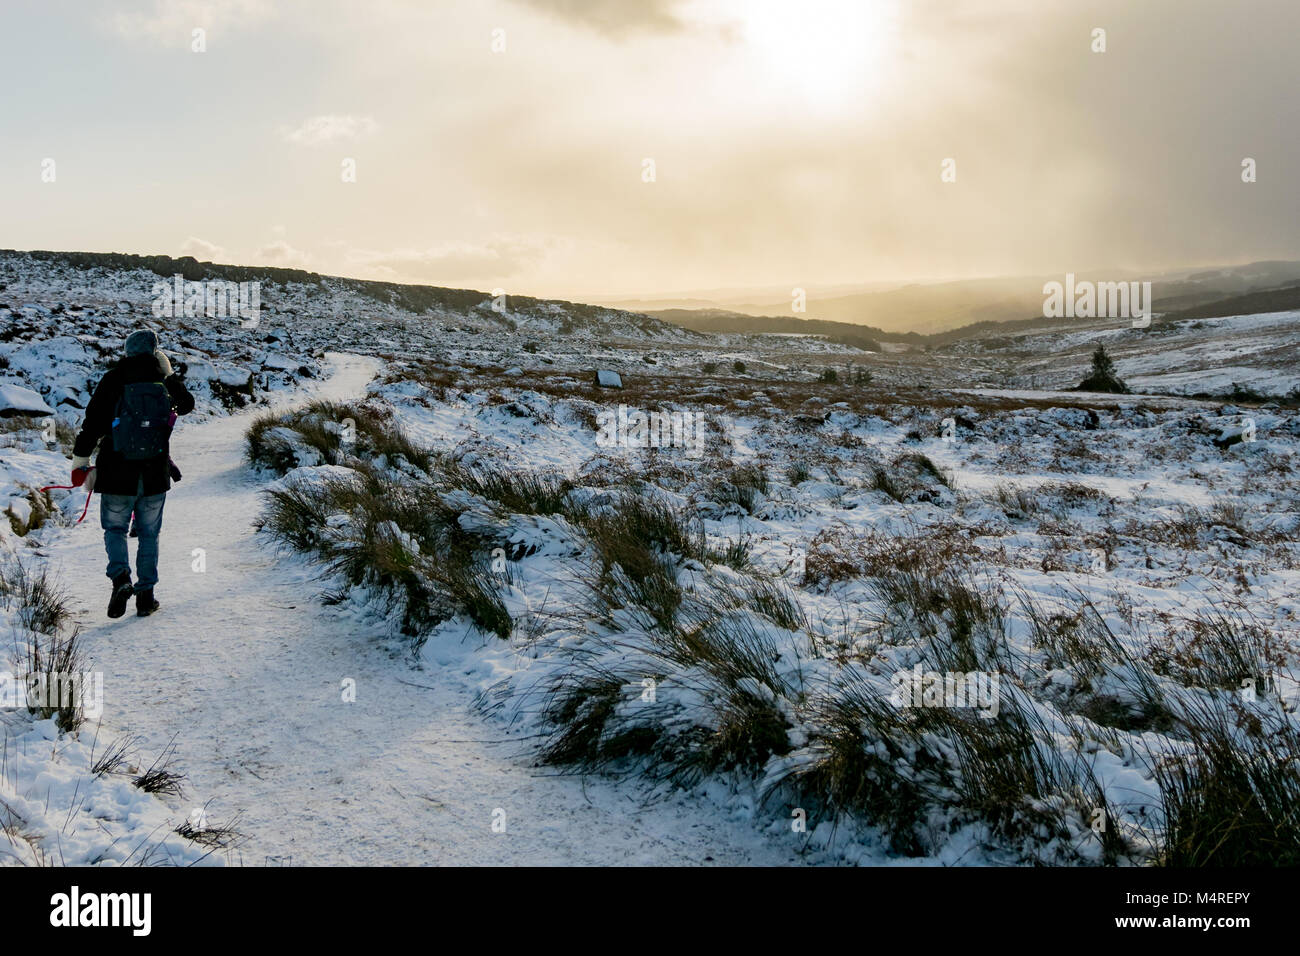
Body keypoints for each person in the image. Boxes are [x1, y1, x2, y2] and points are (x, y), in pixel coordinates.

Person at [71, 329, 195, 618]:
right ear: (155, 352)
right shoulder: (163, 381)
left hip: (116, 472)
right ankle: (145, 597)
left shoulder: (113, 379)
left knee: (114, 529)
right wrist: (169, 373)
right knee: (149, 534)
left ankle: (121, 579)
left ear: (126, 351)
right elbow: (186, 406)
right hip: (154, 474)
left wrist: (80, 460)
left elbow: (93, 424)